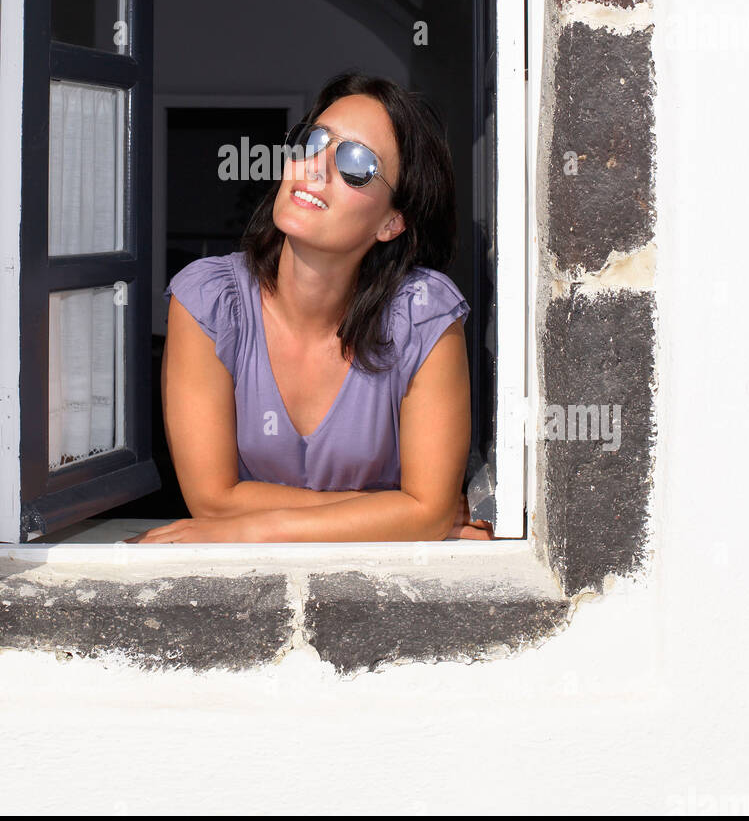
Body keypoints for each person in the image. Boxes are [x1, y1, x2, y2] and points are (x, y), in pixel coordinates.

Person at [128, 70, 494, 544]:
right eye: (313, 141)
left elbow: (424, 513)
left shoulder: (424, 315)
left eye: (356, 163)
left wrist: (259, 525)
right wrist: (400, 512)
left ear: (391, 221)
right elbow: (212, 501)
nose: (314, 167)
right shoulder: (207, 302)